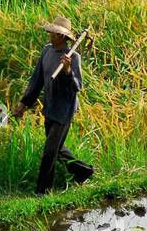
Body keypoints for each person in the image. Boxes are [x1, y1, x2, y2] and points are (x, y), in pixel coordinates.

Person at [13, 16, 94, 194]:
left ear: (63, 37)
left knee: (50, 152)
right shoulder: (47, 52)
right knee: (57, 150)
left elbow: (77, 87)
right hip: (50, 107)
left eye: (56, 33)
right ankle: (84, 172)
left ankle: (43, 191)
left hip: (64, 110)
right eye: (52, 32)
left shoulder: (73, 58)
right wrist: (24, 104)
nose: (51, 35)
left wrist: (67, 70)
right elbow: (37, 80)